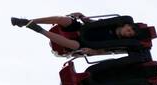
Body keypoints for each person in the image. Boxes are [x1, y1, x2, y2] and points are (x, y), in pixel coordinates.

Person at [12, 13, 146, 55]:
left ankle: (39, 30)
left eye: (130, 35)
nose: (128, 33)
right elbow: (92, 22)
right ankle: (28, 21)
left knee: (74, 45)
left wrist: (92, 51)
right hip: (83, 29)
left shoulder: (118, 42)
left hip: (86, 43)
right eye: (129, 30)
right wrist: (81, 15)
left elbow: (104, 51)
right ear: (126, 25)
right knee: (63, 19)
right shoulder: (112, 23)